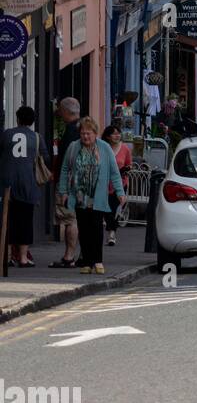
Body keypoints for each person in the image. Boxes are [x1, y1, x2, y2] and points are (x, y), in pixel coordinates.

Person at [57, 117, 126, 275]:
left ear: (95, 134)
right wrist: (64, 192)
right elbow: (65, 169)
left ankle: (98, 261)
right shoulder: (74, 147)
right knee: (84, 229)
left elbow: (114, 172)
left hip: (98, 195)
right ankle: (87, 262)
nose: (85, 137)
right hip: (80, 196)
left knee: (96, 229)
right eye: (82, 133)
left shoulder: (105, 148)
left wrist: (120, 192)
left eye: (88, 133)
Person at [0, 106, 50, 267]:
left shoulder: (7, 134)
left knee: (7, 220)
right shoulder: (36, 137)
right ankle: (22, 257)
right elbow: (46, 158)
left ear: (17, 119)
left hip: (7, 182)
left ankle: (6, 256)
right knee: (26, 221)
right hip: (28, 184)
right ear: (33, 121)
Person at [49, 96, 82, 267]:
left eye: (60, 110)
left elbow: (67, 161)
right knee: (79, 218)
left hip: (69, 182)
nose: (59, 114)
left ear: (66, 112)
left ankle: (69, 256)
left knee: (70, 219)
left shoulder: (70, 131)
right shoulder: (84, 128)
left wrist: (62, 186)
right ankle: (83, 256)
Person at [101, 125, 132, 248]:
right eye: (114, 133)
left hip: (120, 183)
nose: (117, 136)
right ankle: (111, 231)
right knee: (106, 209)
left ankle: (112, 233)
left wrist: (125, 169)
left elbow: (129, 164)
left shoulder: (125, 148)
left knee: (113, 208)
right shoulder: (103, 148)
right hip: (104, 183)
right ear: (108, 136)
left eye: (118, 133)